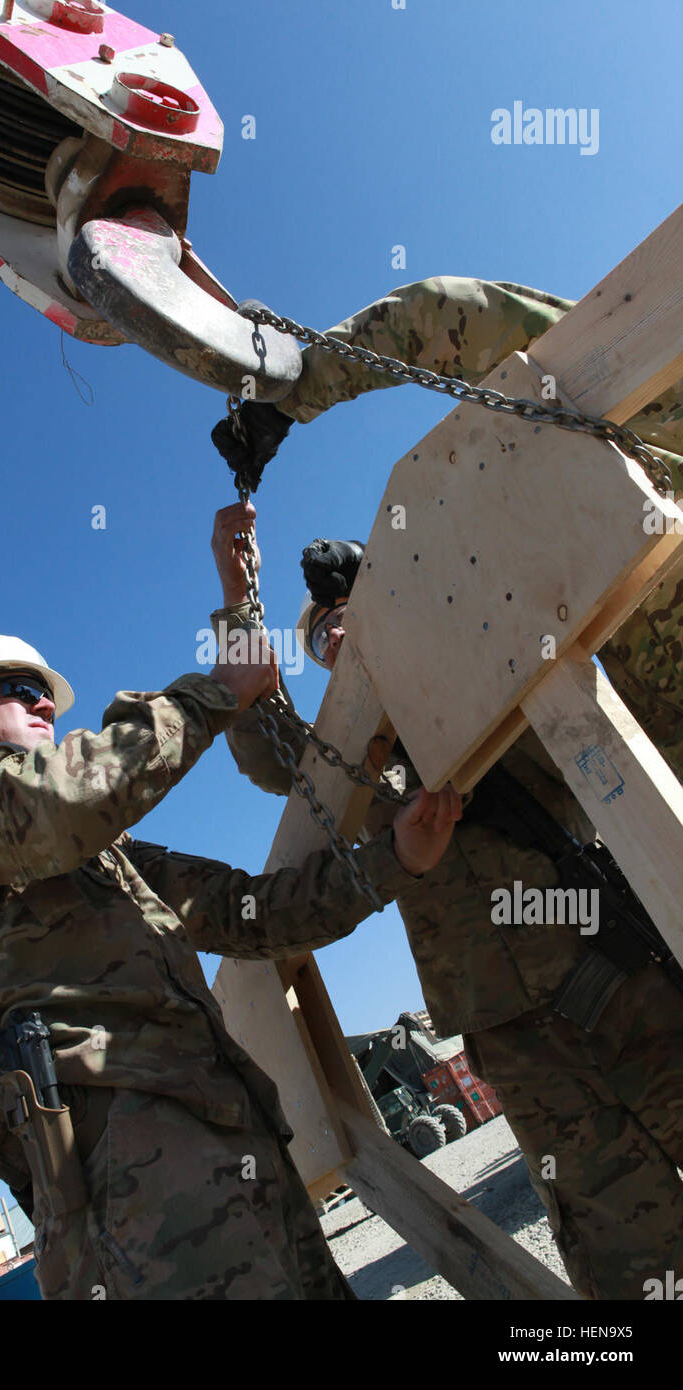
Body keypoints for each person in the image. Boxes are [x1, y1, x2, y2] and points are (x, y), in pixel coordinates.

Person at [0, 630, 461, 1301]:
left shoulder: (106, 856)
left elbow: (248, 912)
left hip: (231, 1133)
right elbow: (64, 804)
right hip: (117, 1174)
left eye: (48, 698)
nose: (45, 706)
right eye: (21, 691)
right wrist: (215, 695)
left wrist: (396, 859)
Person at [210, 505, 683, 1300]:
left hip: (619, 973)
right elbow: (264, 746)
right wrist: (236, 595)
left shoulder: (494, 672)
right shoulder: (353, 768)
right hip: (514, 1034)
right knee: (622, 1244)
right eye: (325, 632)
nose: (340, 633)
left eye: (354, 611)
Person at [212, 277, 683, 781]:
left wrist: (289, 400)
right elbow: (277, 765)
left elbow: (453, 316)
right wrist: (238, 600)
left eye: (339, 616)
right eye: (323, 643)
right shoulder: (397, 752)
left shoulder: (500, 610)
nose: (337, 637)